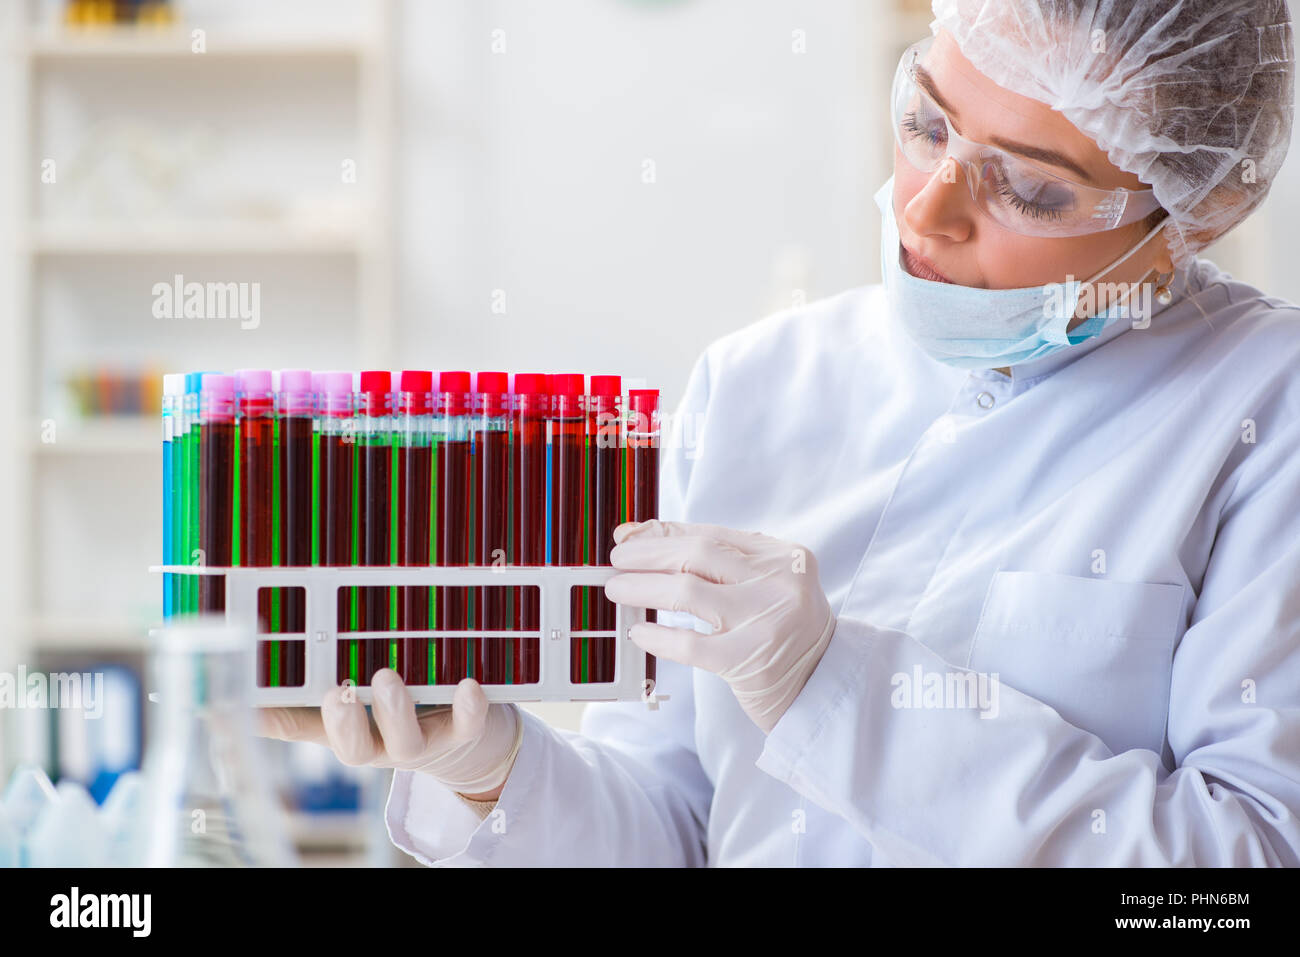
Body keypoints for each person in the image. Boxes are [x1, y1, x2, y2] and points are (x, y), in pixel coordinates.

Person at [262, 0, 1300, 865]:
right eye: (928, 125)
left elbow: (1237, 876)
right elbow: (672, 830)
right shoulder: (755, 382)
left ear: (1185, 217)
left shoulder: (1264, 407)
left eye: (1029, 188)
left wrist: (834, 691)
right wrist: (490, 772)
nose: (926, 208)